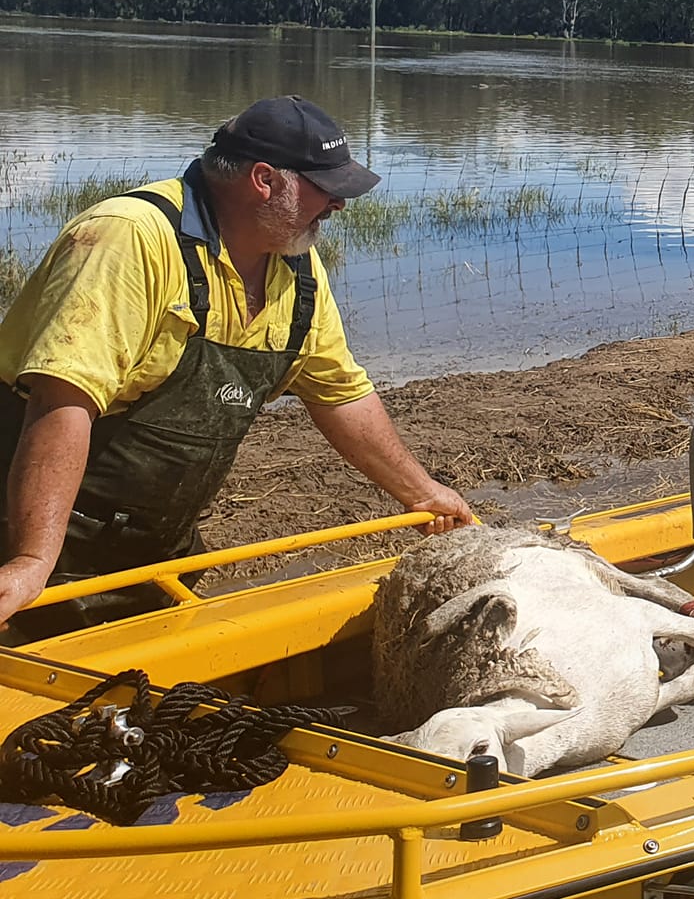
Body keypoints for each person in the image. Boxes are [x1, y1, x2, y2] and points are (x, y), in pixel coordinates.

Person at [0, 96, 474, 633]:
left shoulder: (296, 268)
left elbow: (340, 393)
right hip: (30, 535)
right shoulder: (129, 237)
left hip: (157, 550)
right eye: (328, 190)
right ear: (265, 179)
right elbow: (63, 399)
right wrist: (29, 560)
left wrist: (423, 493)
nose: (339, 207)